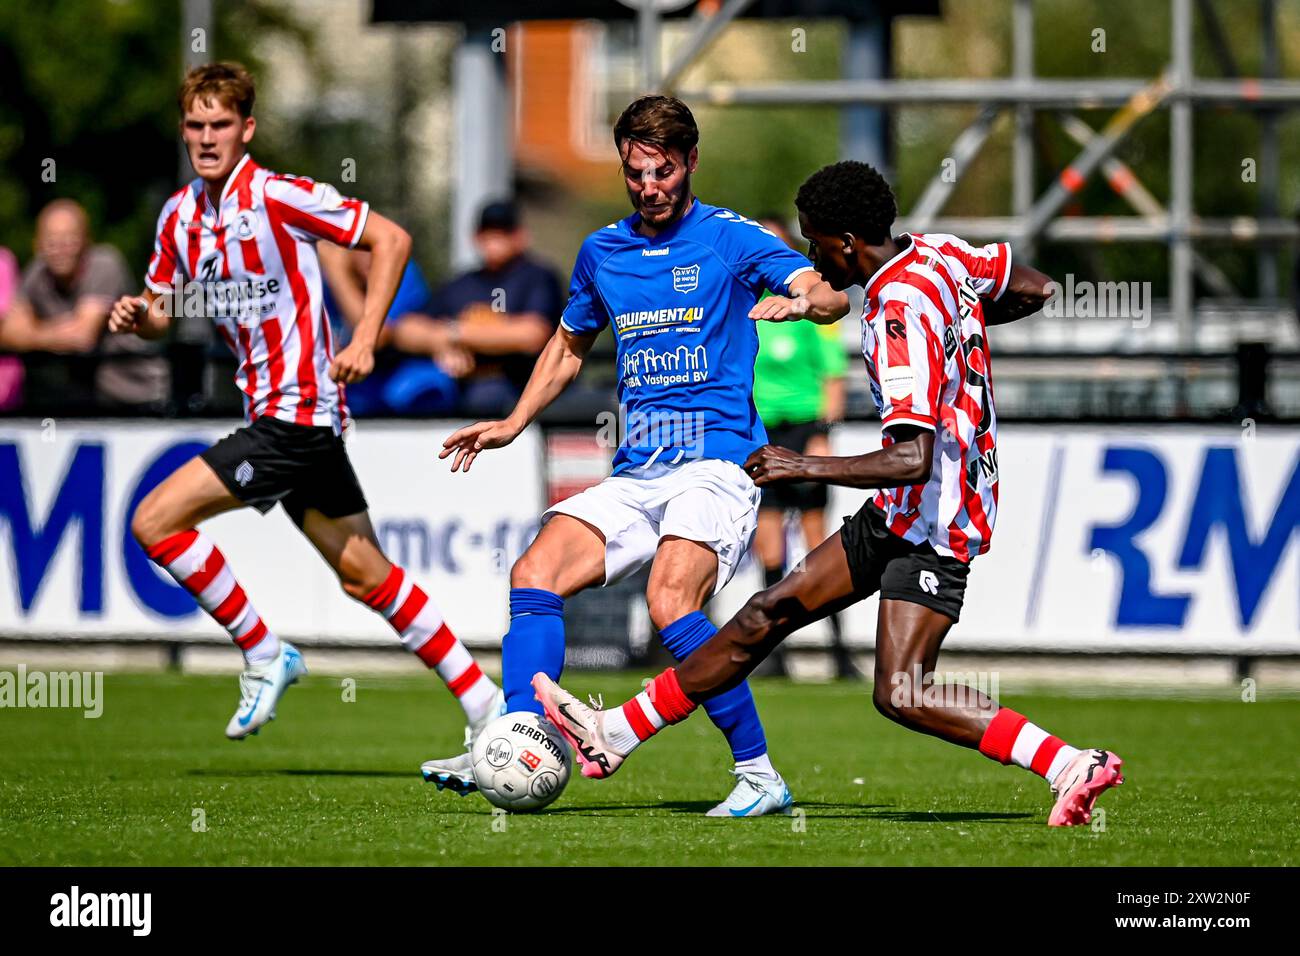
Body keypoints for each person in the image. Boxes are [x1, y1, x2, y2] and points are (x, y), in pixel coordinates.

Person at [534, 160, 1125, 828]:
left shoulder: (897, 313)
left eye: (815, 243)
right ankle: (618, 732)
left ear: (846, 241)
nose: (811, 257)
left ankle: (1070, 762)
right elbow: (1037, 287)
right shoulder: (942, 253)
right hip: (906, 510)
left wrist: (799, 466)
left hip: (938, 520)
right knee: (767, 612)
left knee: (902, 691)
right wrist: (965, 335)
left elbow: (911, 457)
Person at [422, 95, 849, 816]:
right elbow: (566, 345)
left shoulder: (729, 237)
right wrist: (515, 421)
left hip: (717, 464)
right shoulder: (602, 251)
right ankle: (515, 734)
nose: (649, 187)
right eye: (635, 173)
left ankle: (758, 774)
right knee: (535, 571)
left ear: (690, 162)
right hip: (637, 471)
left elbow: (829, 292)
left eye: (662, 171)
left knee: (668, 601)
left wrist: (803, 301)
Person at [107, 62, 502, 742]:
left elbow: (393, 240)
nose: (207, 137)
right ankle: (483, 702)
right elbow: (165, 311)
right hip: (283, 418)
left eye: (221, 125)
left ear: (246, 129)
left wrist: (368, 337)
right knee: (363, 574)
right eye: (196, 125)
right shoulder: (179, 218)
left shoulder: (278, 197)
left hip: (299, 414)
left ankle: (263, 652)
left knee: (154, 521)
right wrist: (136, 314)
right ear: (184, 131)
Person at [751, 213, 852, 678]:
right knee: (769, 543)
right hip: (763, 435)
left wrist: (823, 436)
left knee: (817, 543)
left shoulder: (809, 308)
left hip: (804, 432)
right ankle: (773, 653)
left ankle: (838, 651)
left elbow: (833, 376)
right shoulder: (748, 307)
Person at [0, 200, 166, 412]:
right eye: (51, 241)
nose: (60, 249)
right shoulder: (36, 273)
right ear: (38, 245)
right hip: (90, 403)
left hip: (143, 397)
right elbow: (8, 335)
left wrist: (33, 333)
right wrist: (55, 334)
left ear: (87, 242)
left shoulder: (105, 264)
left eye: (69, 240)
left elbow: (81, 338)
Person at [426, 200, 561, 416]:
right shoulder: (460, 283)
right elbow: (407, 328)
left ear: (521, 236)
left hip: (522, 384)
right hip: (460, 383)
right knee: (416, 389)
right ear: (476, 237)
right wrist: (441, 347)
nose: (494, 240)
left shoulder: (538, 277)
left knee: (486, 395)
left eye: (503, 231)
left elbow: (532, 334)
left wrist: (456, 333)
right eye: (488, 232)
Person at [318, 244, 472, 416]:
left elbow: (378, 335)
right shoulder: (325, 285)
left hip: (410, 384)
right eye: (364, 248)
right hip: (360, 391)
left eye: (377, 247)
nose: (371, 257)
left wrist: (337, 274)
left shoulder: (399, 271)